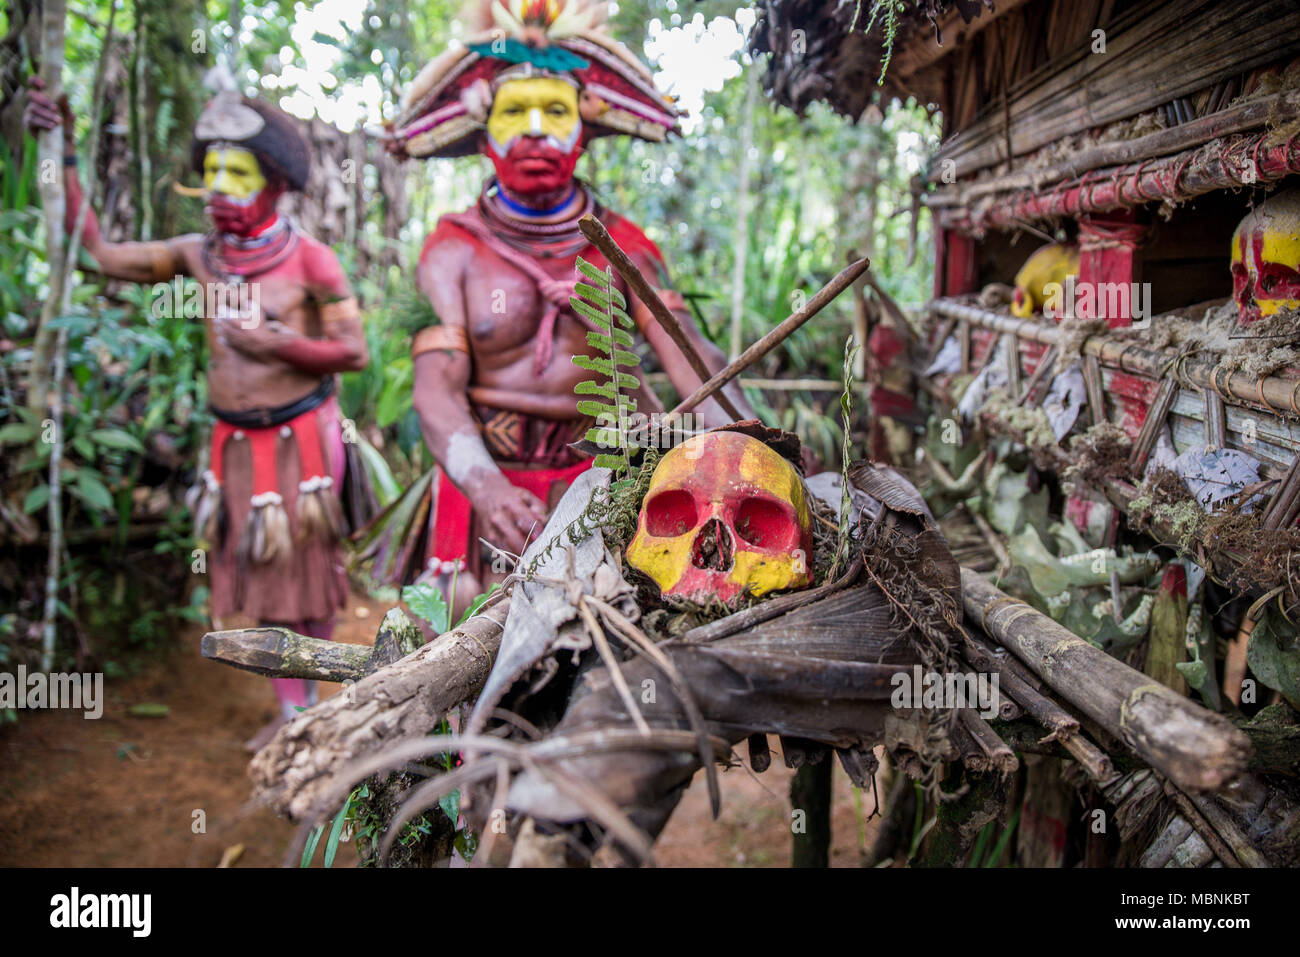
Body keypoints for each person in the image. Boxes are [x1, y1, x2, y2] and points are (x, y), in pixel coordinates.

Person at [26, 83, 369, 749]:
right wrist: (63, 151)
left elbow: (353, 350)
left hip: (304, 440)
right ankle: (291, 711)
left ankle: (314, 703)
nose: (217, 186)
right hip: (234, 446)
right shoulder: (197, 254)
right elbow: (99, 253)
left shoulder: (311, 260)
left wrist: (277, 343)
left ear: (274, 183)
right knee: (258, 568)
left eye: (235, 173)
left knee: (307, 573)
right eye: (210, 171)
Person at [389, 0, 754, 614]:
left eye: (555, 110)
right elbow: (436, 390)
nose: (534, 127)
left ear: (584, 130)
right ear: (485, 133)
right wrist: (487, 489)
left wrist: (752, 442)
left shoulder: (627, 245)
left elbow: (690, 359)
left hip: (611, 481)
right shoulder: (452, 249)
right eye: (515, 111)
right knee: (467, 641)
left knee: (610, 643)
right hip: (488, 491)